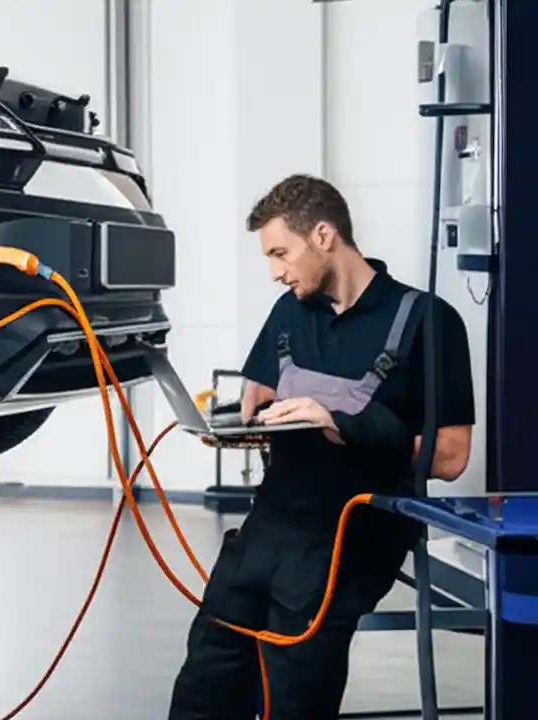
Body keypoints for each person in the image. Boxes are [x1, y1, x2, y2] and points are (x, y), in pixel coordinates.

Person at [166, 174, 476, 719]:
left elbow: (451, 456)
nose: (276, 272)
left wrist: (343, 425)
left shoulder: (428, 321)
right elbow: (256, 400)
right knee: (210, 663)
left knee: (295, 671)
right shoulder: (290, 313)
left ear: (325, 236)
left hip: (356, 529)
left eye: (281, 253)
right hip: (273, 521)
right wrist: (237, 425)